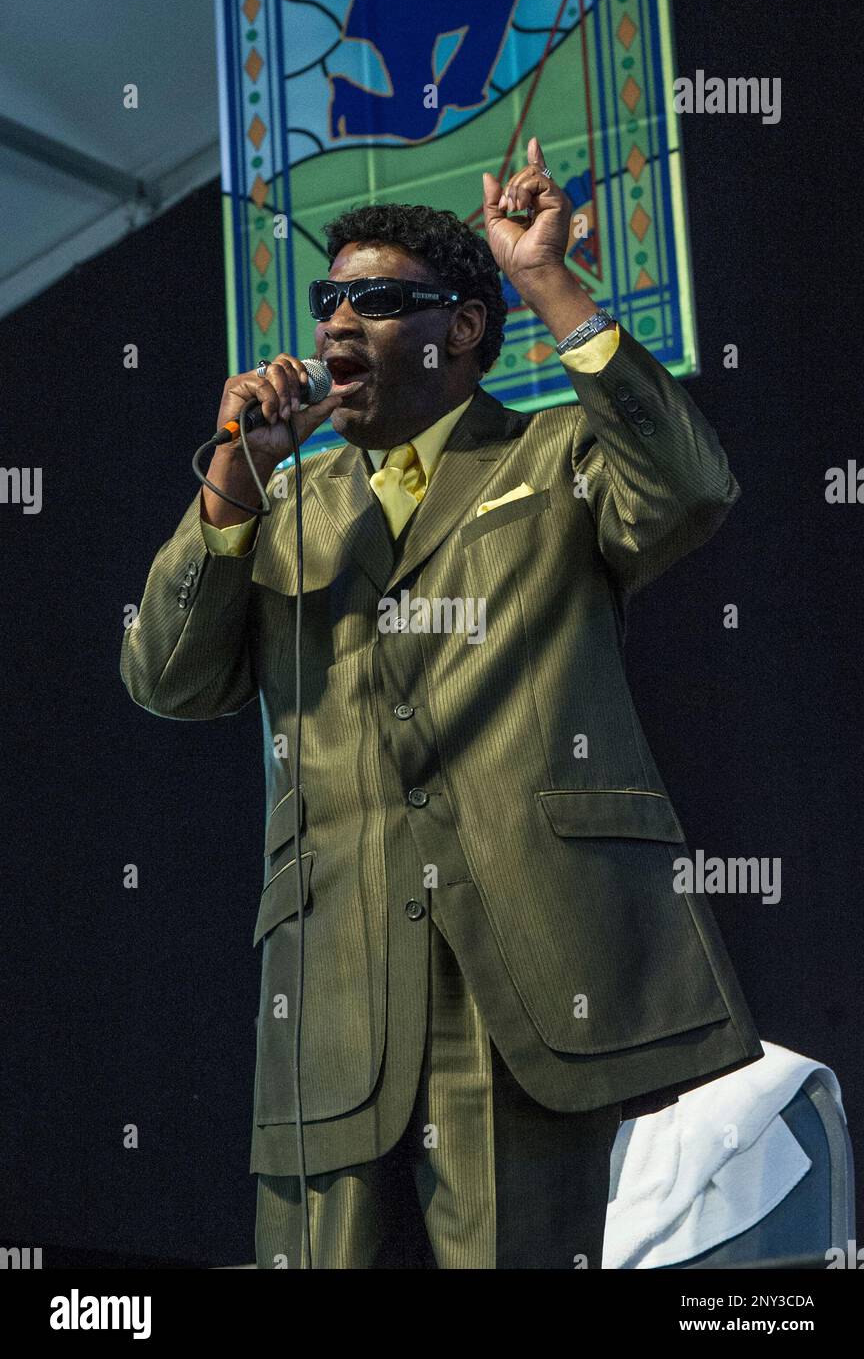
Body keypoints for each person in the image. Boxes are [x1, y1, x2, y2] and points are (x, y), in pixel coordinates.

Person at [120, 138, 762, 1269]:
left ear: (459, 329)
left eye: (375, 300)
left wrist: (548, 279)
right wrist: (235, 474)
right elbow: (166, 676)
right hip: (332, 980)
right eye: (328, 300)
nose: (335, 324)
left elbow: (691, 484)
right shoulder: (285, 498)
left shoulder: (555, 455)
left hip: (520, 972)